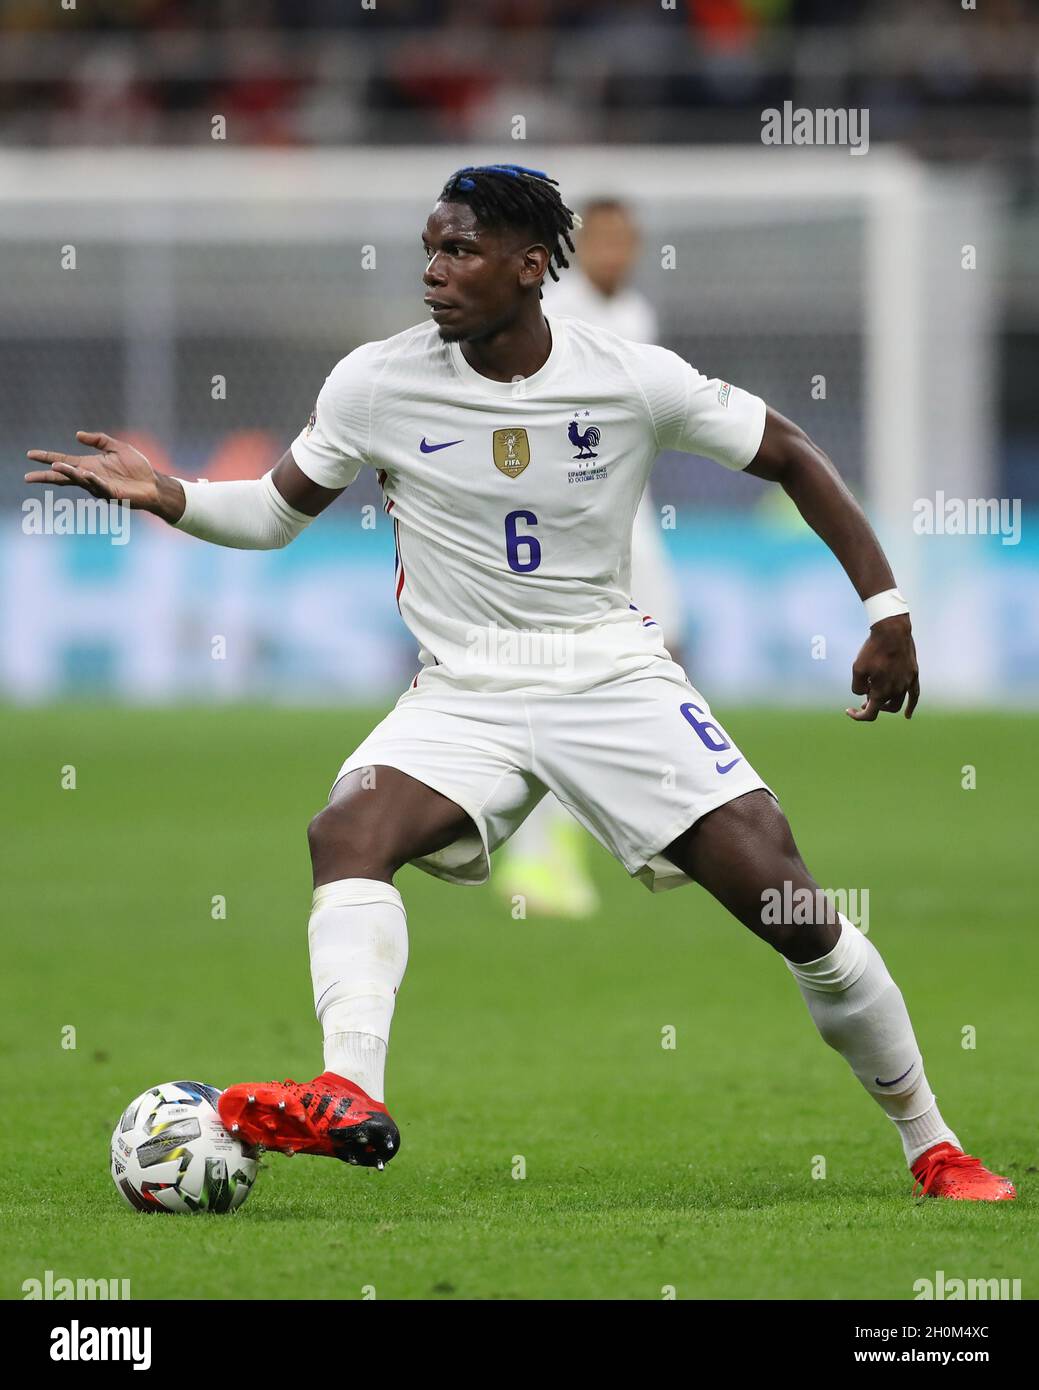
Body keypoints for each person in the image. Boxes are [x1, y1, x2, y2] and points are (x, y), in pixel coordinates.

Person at [25, 164, 1013, 1200]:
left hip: (610, 675)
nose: (433, 273)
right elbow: (273, 513)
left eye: (457, 251)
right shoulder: (375, 381)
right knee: (346, 831)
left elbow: (793, 455)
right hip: (465, 689)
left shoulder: (630, 374)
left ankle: (931, 1142)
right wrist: (169, 495)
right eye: (429, 250)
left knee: (793, 909)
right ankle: (347, 1089)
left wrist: (886, 612)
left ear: (530, 265)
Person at [496, 196, 682, 917]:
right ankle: (550, 849)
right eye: (599, 237)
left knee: (651, 658)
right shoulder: (555, 310)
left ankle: (622, 823)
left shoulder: (633, 312)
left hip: (628, 514)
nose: (612, 250)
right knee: (580, 680)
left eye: (622, 238)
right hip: (574, 519)